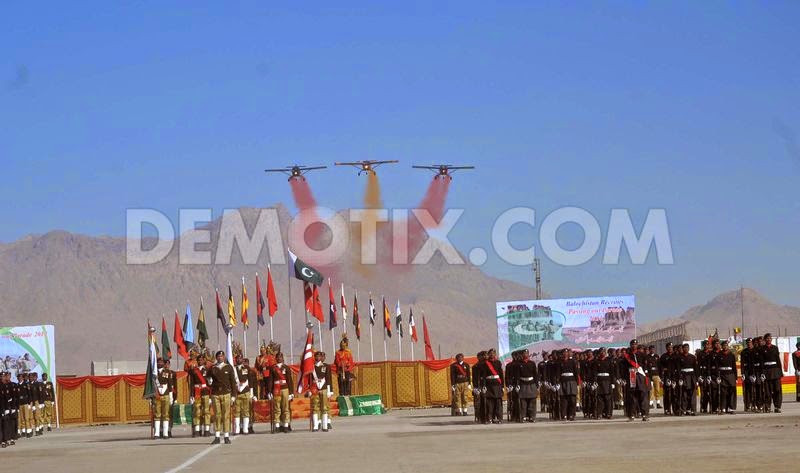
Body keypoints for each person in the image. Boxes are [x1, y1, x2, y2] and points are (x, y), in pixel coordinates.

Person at [208, 350, 236, 444]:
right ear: (216, 358)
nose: (220, 358)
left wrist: (233, 396)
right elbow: (207, 379)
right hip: (215, 394)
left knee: (226, 415)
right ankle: (217, 436)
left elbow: (233, 382)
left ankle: (226, 436)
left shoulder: (228, 367)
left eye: (222, 356)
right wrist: (209, 381)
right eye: (218, 356)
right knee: (217, 415)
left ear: (224, 357)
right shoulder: (212, 368)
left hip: (226, 393)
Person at [269, 352, 294, 433]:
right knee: (277, 408)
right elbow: (270, 381)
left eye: (281, 357)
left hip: (285, 389)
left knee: (285, 408)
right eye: (278, 357)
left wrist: (291, 392)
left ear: (283, 358)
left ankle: (286, 425)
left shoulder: (286, 368)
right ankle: (277, 426)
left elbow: (290, 380)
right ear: (276, 359)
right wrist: (269, 392)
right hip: (276, 389)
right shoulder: (273, 368)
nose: (279, 358)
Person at [310, 351, 333, 432]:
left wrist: (330, 391)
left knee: (324, 407)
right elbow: (309, 379)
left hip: (324, 388)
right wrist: (309, 390)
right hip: (314, 389)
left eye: (319, 356)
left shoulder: (326, 366)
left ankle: (325, 425)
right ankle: (316, 425)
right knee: (315, 407)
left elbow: (328, 379)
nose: (318, 358)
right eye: (316, 356)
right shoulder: (311, 367)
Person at [233, 356, 254, 436]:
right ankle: (237, 429)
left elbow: (250, 379)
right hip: (237, 392)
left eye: (240, 359)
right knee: (237, 411)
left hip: (245, 391)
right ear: (235, 360)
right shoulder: (233, 369)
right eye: (237, 359)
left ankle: (245, 429)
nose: (239, 360)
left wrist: (251, 392)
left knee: (246, 410)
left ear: (242, 360)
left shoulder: (246, 368)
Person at [761, 333, 782, 413]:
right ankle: (768, 406)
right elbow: (761, 362)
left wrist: (780, 372)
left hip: (775, 371)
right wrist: (762, 373)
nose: (768, 339)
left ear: (771, 339)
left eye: (770, 338)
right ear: (765, 340)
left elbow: (778, 360)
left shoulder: (775, 348)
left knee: (777, 390)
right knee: (767, 391)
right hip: (766, 372)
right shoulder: (762, 349)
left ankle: (777, 407)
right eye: (767, 338)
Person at [592, 347, 615, 419]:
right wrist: (594, 382)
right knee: (600, 398)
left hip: (607, 381)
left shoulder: (609, 360)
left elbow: (612, 372)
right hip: (599, 381)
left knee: (608, 398)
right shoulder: (596, 361)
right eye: (601, 352)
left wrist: (612, 382)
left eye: (604, 352)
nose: (602, 353)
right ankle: (600, 414)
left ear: (606, 353)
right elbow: (594, 372)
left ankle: (608, 413)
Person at [482, 349, 504, 424]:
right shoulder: (485, 364)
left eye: (493, 353)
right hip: (489, 384)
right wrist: (484, 385)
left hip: (497, 384)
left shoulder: (498, 362)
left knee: (498, 403)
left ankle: (499, 418)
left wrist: (502, 386)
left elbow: (501, 374)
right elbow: (484, 375)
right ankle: (490, 418)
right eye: (490, 353)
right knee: (490, 403)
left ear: (495, 354)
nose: (491, 355)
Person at [517, 349, 538, 422]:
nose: (525, 354)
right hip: (523, 384)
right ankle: (523, 417)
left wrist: (537, 385)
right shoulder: (519, 364)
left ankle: (532, 417)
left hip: (531, 384)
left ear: (528, 354)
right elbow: (517, 376)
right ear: (522, 355)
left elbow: (535, 375)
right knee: (523, 402)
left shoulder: (532, 363)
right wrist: (517, 385)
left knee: (532, 401)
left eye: (527, 353)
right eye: (524, 353)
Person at [558, 349, 578, 421]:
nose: (565, 354)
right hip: (563, 381)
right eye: (564, 353)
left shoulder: (572, 361)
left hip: (571, 381)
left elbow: (576, 372)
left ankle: (572, 414)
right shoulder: (559, 362)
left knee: (572, 399)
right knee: (564, 400)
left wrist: (577, 383)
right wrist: (557, 382)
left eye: (566, 352)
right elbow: (558, 373)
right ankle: (564, 415)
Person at [678, 343, 698, 416]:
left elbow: (696, 369)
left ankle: (693, 410)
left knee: (692, 395)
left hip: (691, 377)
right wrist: (680, 378)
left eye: (687, 348)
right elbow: (678, 369)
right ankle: (684, 410)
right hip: (683, 376)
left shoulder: (692, 357)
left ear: (689, 349)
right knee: (684, 395)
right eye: (684, 348)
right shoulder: (679, 357)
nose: (686, 349)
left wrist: (697, 380)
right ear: (682, 349)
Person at [472, 351, 486, 423]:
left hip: (487, 386)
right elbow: (475, 378)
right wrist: (475, 388)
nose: (484, 357)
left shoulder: (488, 365)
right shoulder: (475, 366)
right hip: (479, 386)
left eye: (485, 355)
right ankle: (479, 417)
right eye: (483, 356)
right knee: (478, 403)